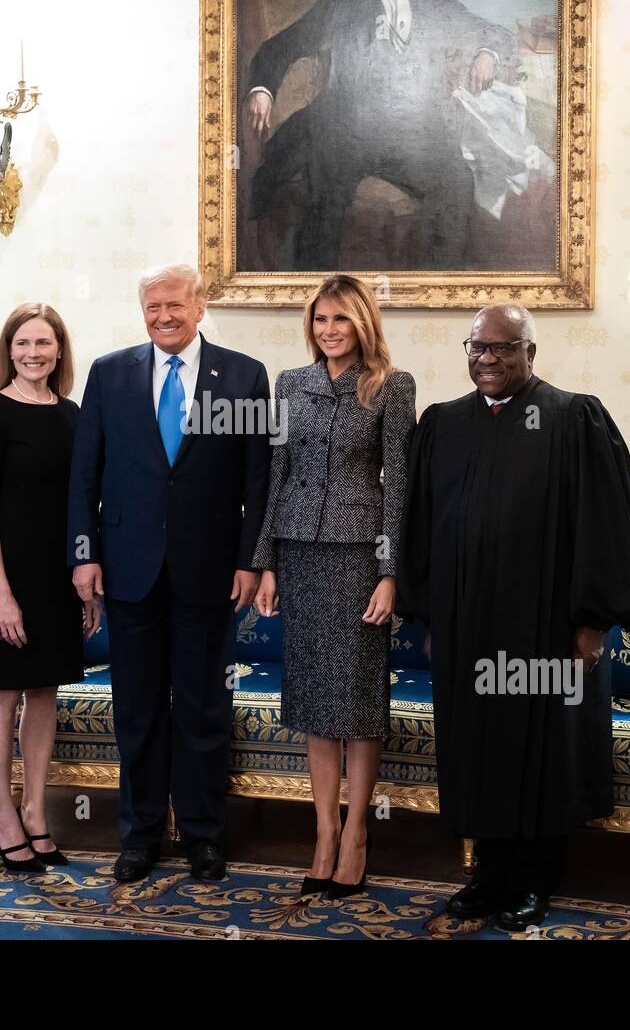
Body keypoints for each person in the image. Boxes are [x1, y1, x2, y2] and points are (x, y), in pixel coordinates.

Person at [397, 305, 630, 930]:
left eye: (502, 348)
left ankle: (534, 880)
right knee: (477, 748)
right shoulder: (444, 424)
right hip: (468, 627)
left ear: (530, 352)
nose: (487, 359)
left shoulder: (574, 419)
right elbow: (420, 530)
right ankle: (486, 875)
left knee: (543, 751)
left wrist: (591, 622)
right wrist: (433, 615)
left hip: (548, 629)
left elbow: (606, 529)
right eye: (476, 347)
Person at [67, 263, 271, 883]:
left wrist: (250, 560)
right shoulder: (110, 374)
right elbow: (85, 474)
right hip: (129, 573)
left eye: (174, 305)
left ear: (200, 304)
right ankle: (141, 834)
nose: (162, 317)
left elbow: (257, 478)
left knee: (204, 708)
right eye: (151, 307)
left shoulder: (243, 375)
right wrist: (84, 555)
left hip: (210, 573)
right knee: (138, 710)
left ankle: (205, 835)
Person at [243, 0, 518, 270]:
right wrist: (262, 89)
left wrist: (486, 52)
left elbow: (493, 32)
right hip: (344, 132)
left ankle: (438, 292)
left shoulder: (439, 5)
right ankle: (315, 294)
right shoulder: (339, 5)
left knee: (455, 182)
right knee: (323, 196)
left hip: (414, 137)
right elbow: (278, 48)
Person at [253, 275, 414, 899]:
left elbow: (397, 486)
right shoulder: (291, 383)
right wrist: (265, 561)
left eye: (340, 320)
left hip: (357, 557)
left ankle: (356, 835)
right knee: (315, 698)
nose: (328, 330)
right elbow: (277, 471)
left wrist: (389, 572)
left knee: (357, 700)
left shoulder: (392, 387)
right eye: (320, 319)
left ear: (362, 324)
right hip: (298, 553)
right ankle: (322, 831)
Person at [0, 303, 96, 874]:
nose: (33, 353)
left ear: (60, 351)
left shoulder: (73, 415)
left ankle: (36, 812)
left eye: (44, 343)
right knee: (4, 693)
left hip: (61, 578)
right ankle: (2, 815)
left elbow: (85, 506)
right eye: (23, 343)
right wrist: (0, 592)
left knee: (45, 692)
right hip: (10, 577)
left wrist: (88, 584)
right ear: (9, 350)